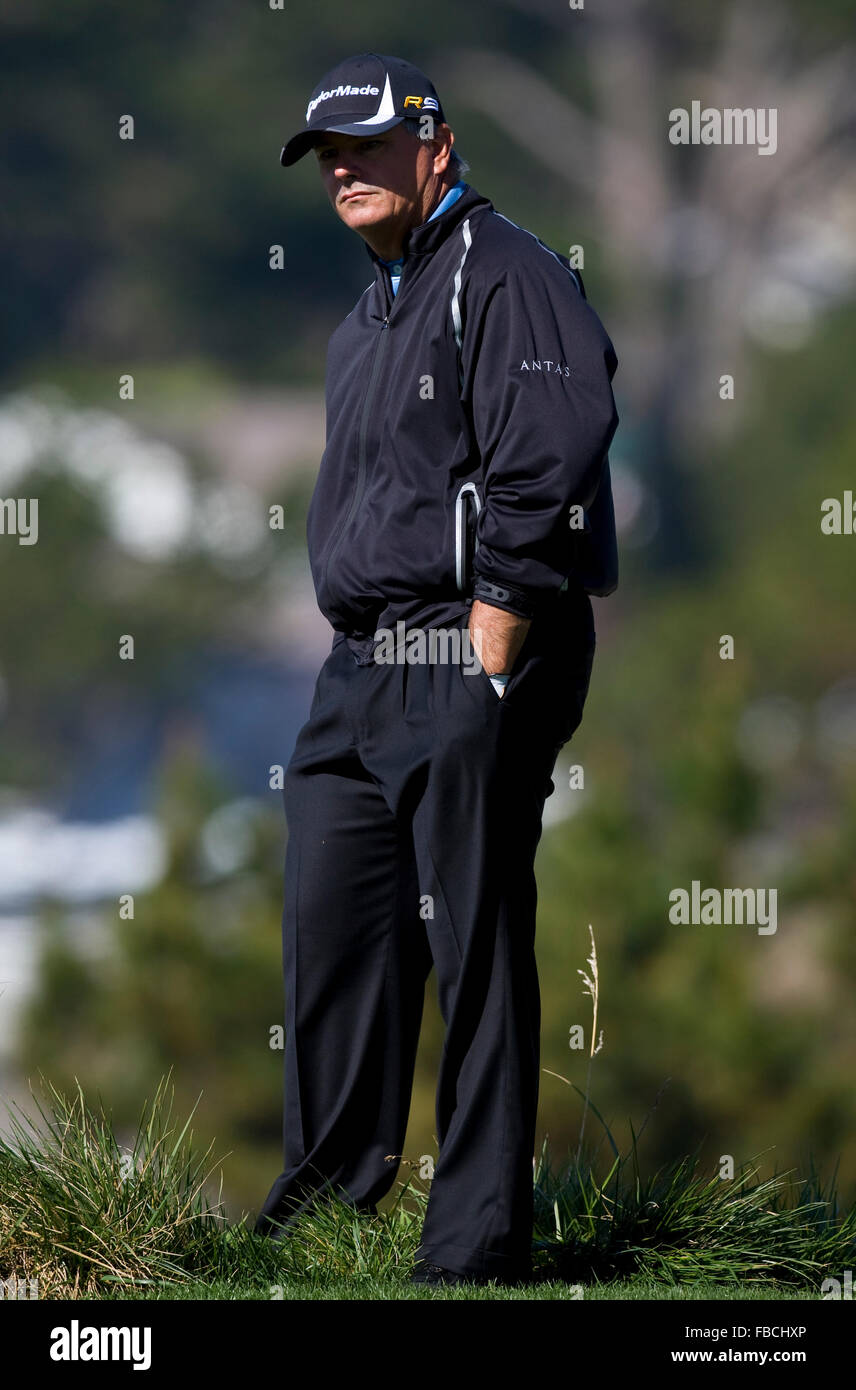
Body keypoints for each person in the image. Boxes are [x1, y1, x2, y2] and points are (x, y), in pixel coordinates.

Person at [254, 51, 619, 1288]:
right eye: (327, 156)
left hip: (468, 643)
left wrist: (497, 632)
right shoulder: (370, 307)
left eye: (366, 145)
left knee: (472, 945)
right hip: (359, 663)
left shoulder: (508, 270)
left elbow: (558, 445)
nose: (345, 169)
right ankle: (326, 1210)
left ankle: (468, 1251)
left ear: (436, 144)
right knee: (334, 930)